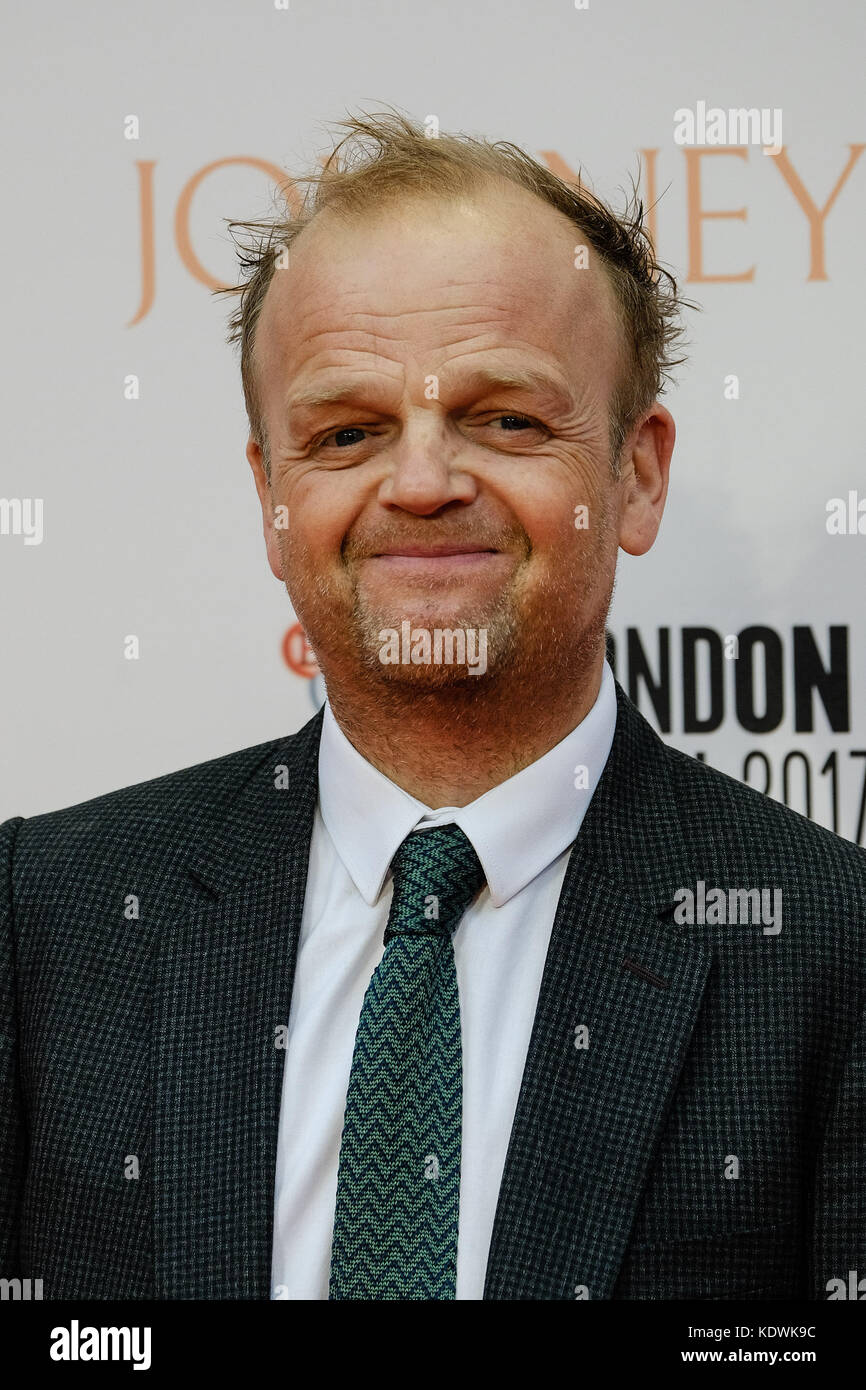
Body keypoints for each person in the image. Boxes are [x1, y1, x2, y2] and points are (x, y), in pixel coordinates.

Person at [1, 109, 863, 1301]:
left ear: (636, 473)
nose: (419, 483)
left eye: (503, 417)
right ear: (269, 492)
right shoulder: (44, 918)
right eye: (348, 431)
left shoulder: (831, 948)